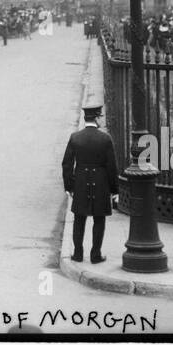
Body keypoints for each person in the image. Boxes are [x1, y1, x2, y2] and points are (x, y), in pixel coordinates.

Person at [61, 104, 119, 264]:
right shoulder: (105, 139)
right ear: (97, 118)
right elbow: (111, 166)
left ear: (86, 118)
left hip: (80, 181)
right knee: (99, 219)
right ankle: (95, 255)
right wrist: (114, 190)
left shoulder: (75, 137)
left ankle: (78, 254)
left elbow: (67, 164)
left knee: (79, 218)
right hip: (101, 182)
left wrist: (69, 186)